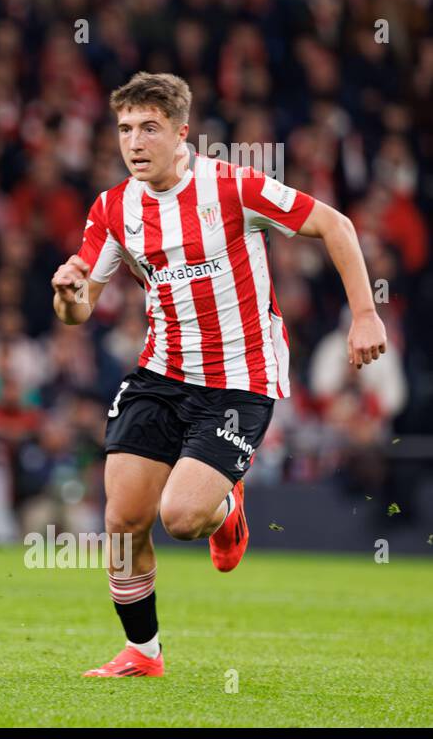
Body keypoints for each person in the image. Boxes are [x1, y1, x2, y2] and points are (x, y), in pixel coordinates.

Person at [50, 71, 388, 677]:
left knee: (180, 519)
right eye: (125, 129)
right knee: (122, 519)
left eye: (149, 128)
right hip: (160, 374)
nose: (135, 142)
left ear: (182, 133)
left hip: (239, 380)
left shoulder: (232, 187)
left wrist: (363, 315)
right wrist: (68, 294)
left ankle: (226, 509)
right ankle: (143, 653)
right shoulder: (112, 208)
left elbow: (336, 224)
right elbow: (78, 311)